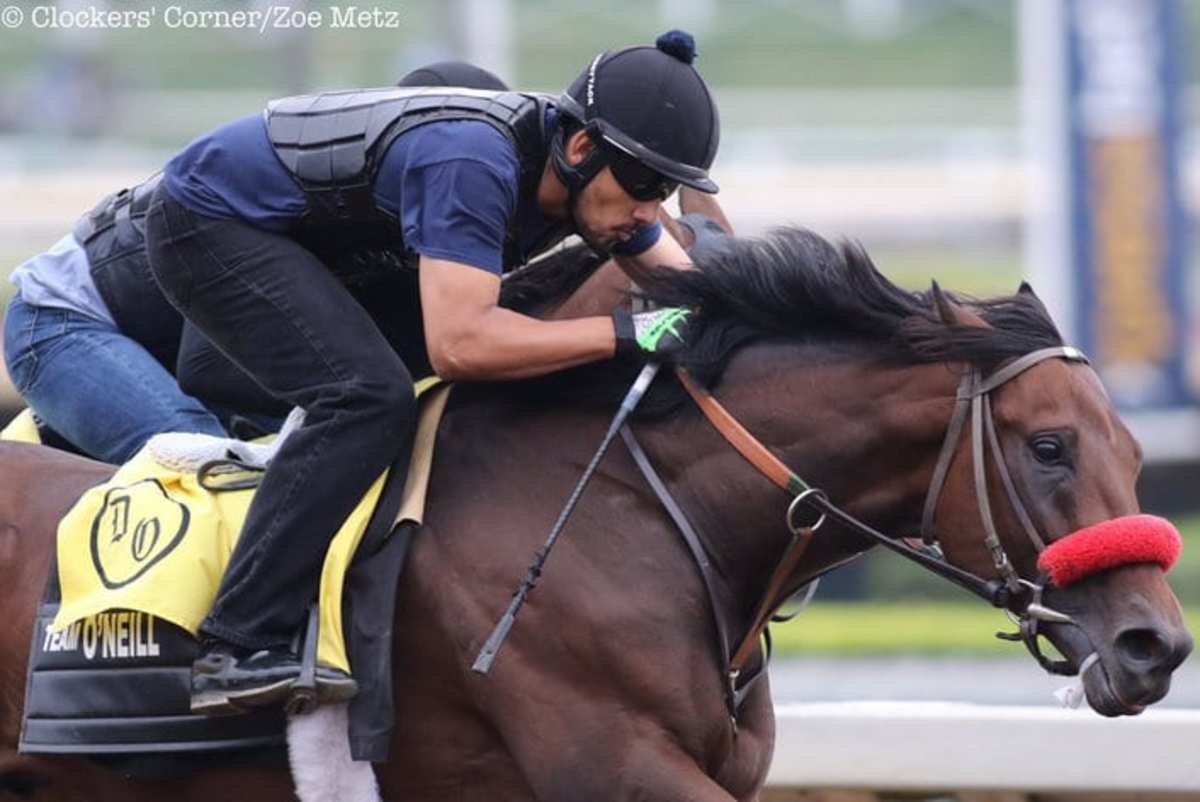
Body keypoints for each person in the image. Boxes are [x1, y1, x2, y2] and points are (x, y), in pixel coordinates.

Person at [143, 30, 720, 714]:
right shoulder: (471, 163)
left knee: (488, 360)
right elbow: (461, 343)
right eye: (645, 186)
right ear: (580, 148)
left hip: (315, 243)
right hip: (209, 224)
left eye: (666, 191)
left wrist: (750, 324)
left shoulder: (593, 185)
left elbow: (702, 295)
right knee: (368, 396)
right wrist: (629, 333)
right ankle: (237, 643)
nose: (650, 211)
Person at [3, 61, 509, 463]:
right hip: (64, 324)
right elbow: (209, 368)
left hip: (151, 339)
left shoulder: (425, 220)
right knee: (207, 466)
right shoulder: (322, 197)